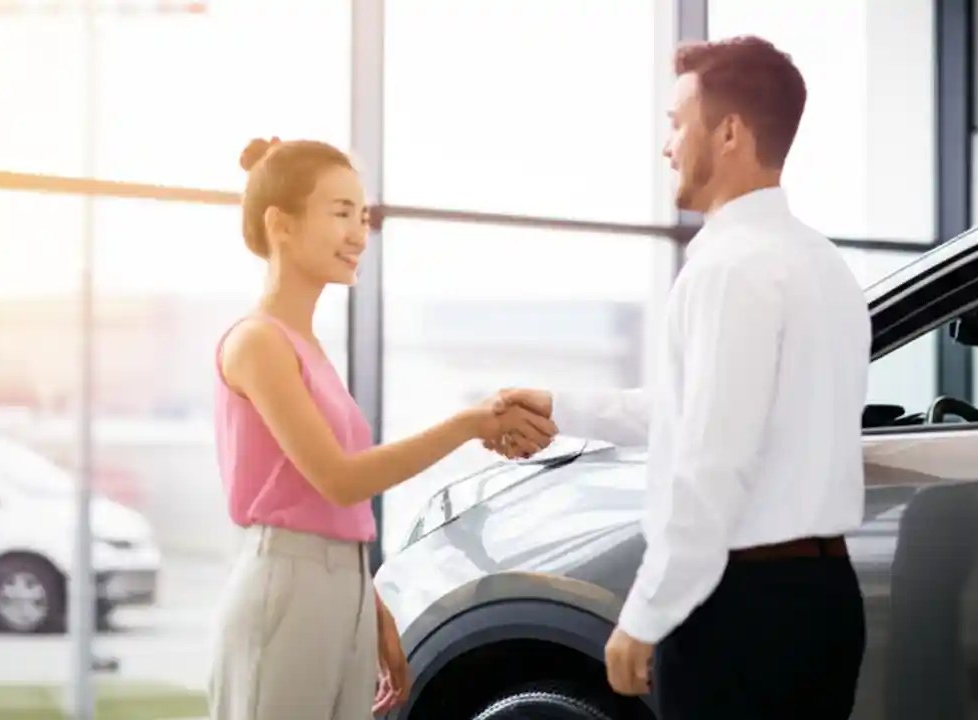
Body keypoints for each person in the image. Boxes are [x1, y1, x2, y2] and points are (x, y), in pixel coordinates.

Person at [490, 36, 870, 718]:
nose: (666, 146)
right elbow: (699, 411)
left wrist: (645, 613)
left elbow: (711, 461)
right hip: (823, 600)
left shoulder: (731, 267)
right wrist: (561, 406)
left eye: (675, 123)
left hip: (740, 612)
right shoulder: (823, 264)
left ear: (728, 132)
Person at [208, 137, 557, 720]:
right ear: (281, 225)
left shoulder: (306, 348)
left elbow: (328, 509)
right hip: (283, 591)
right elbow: (339, 481)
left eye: (362, 215)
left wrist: (368, 606)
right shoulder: (257, 342)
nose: (357, 233)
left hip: (337, 588)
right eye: (340, 212)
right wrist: (470, 424)